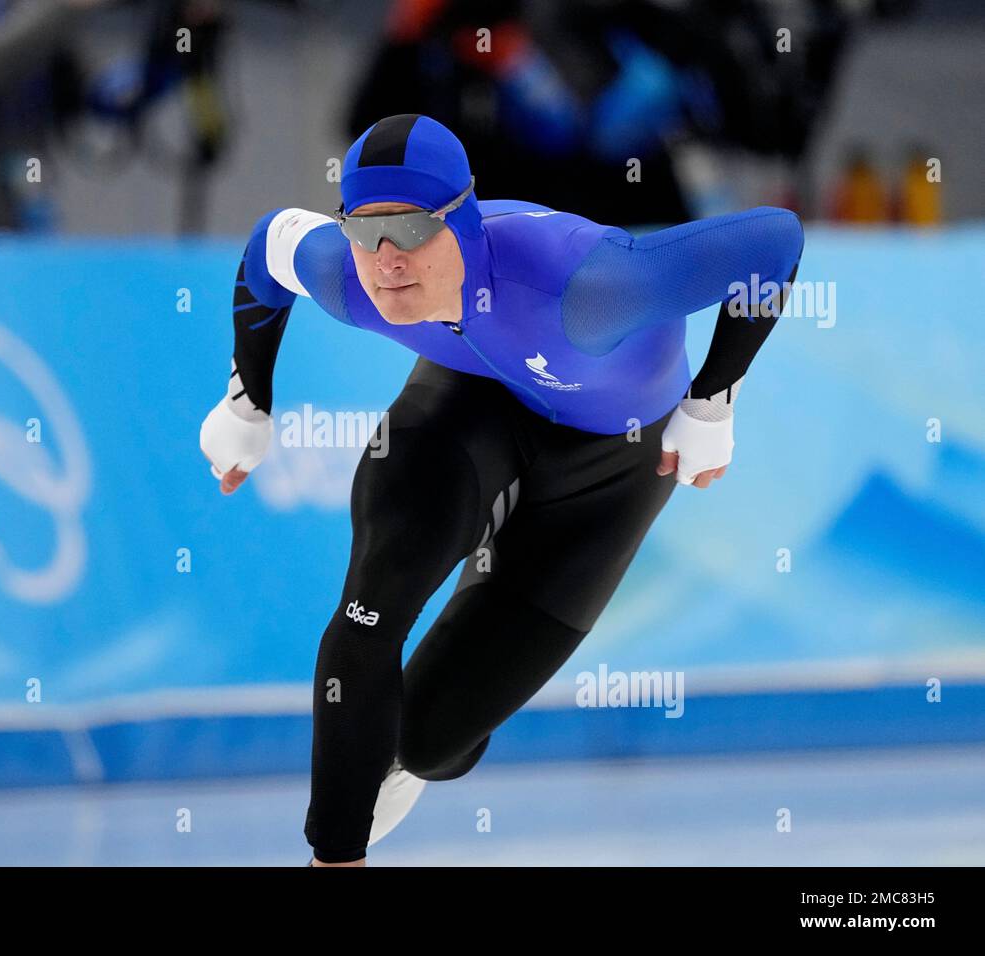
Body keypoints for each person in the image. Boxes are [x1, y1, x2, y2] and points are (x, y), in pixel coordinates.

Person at [199, 114, 803, 866]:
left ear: (463, 219)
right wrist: (246, 402)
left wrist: (714, 398)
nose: (387, 261)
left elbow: (772, 240)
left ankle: (420, 747)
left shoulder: (588, 289)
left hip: (615, 462)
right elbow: (268, 245)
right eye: (365, 230)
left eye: (412, 229)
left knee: (427, 739)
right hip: (471, 400)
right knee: (372, 602)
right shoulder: (347, 277)